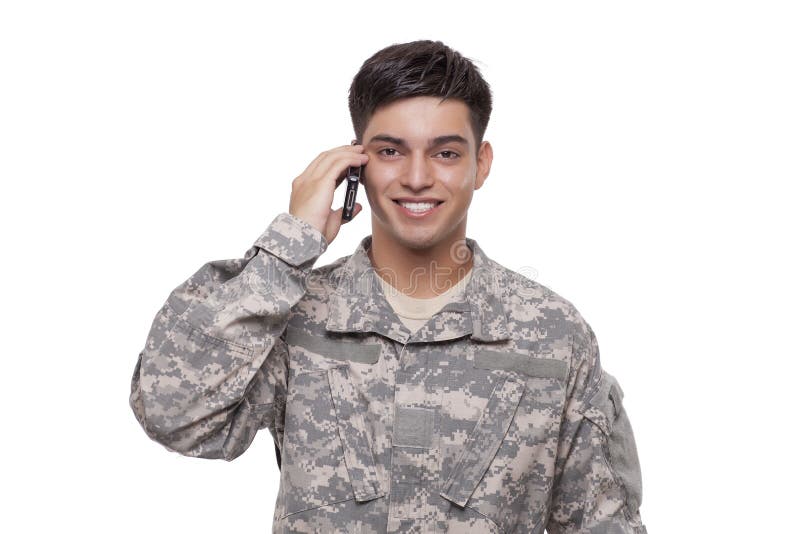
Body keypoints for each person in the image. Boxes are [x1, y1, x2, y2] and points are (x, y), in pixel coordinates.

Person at [129, 39, 648, 534]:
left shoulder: (552, 334)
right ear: (356, 163)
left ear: (480, 164)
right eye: (391, 151)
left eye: (445, 153)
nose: (418, 177)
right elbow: (175, 415)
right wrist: (291, 243)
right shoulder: (295, 315)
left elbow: (602, 522)